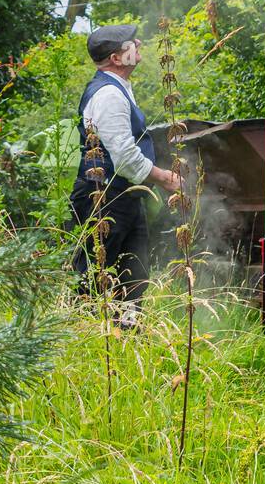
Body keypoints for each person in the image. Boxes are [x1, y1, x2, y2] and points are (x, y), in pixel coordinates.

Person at [69, 24, 182, 328]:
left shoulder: (118, 89)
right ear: (117, 59)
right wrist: (164, 177)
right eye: (132, 43)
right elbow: (124, 158)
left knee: (134, 277)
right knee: (94, 282)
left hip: (123, 197)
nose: (139, 43)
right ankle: (90, 344)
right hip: (102, 199)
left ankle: (129, 340)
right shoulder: (108, 95)